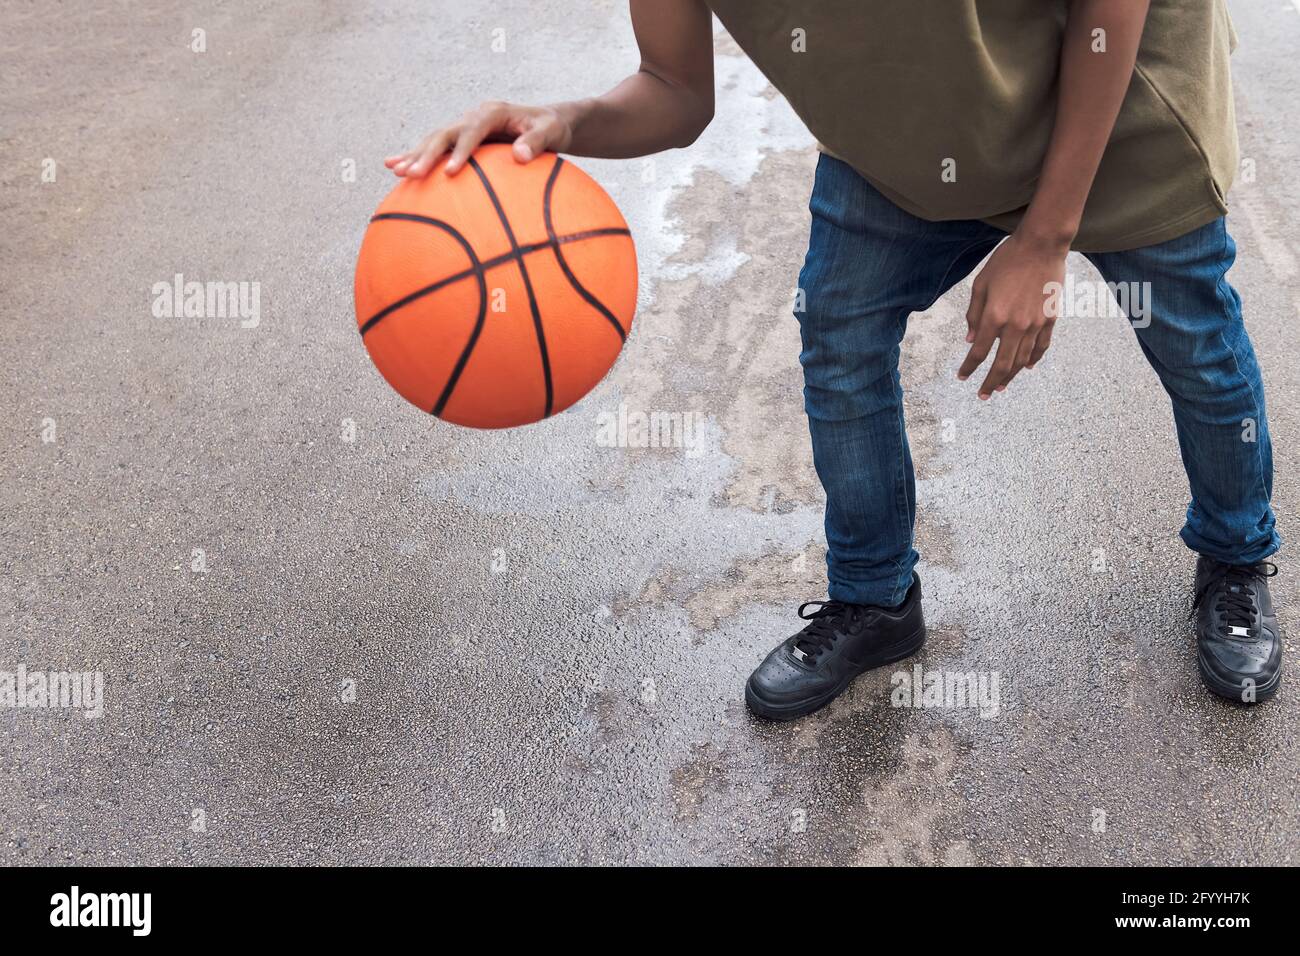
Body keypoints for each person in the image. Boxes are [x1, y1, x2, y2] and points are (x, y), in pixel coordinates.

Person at [387, 0, 1281, 717]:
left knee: (1195, 349)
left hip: (1116, 105)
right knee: (840, 332)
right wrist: (560, 120)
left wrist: (1045, 239)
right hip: (911, 140)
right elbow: (672, 87)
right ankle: (876, 600)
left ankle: (1236, 563)